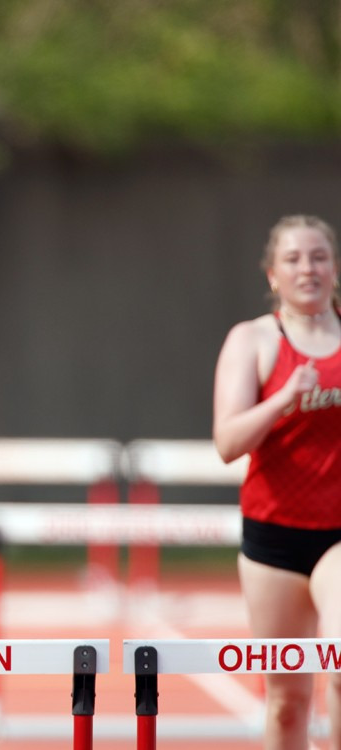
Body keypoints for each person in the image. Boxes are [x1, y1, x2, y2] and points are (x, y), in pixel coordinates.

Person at [213, 214, 341, 749]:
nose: (307, 268)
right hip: (273, 536)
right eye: (293, 259)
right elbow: (228, 443)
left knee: (338, 672)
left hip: (338, 533)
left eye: (318, 257)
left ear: (334, 269)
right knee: (287, 702)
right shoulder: (253, 340)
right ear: (273, 275)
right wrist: (286, 397)